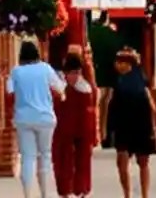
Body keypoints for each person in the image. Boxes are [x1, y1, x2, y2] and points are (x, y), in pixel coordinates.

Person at [7, 40, 66, 198]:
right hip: (45, 117)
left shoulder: (16, 71)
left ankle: (27, 194)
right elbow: (60, 88)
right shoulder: (45, 69)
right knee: (45, 155)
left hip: (23, 118)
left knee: (27, 157)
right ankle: (45, 194)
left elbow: (9, 91)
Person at [105, 47, 156, 198]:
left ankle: (145, 195)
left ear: (130, 64)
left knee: (143, 163)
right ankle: (127, 194)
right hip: (122, 126)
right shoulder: (116, 81)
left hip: (141, 125)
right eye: (117, 62)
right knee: (122, 162)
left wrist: (153, 127)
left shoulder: (141, 79)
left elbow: (151, 104)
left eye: (121, 62)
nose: (118, 65)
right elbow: (107, 103)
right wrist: (104, 128)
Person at [52, 44, 97, 198]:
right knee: (71, 159)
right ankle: (75, 189)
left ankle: (78, 189)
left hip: (75, 127)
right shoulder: (83, 87)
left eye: (77, 72)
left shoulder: (75, 87)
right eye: (72, 73)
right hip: (71, 127)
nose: (74, 76)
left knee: (78, 159)